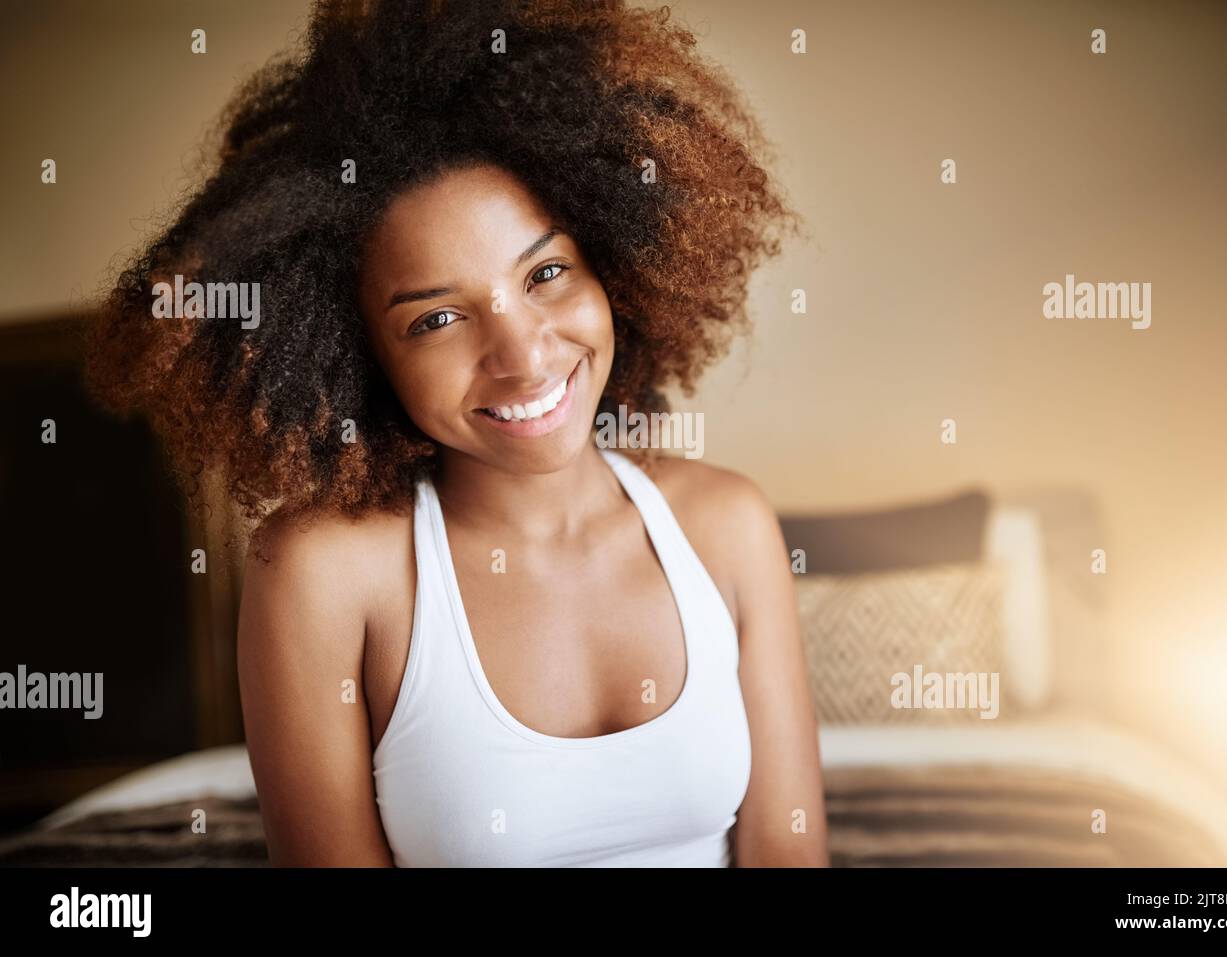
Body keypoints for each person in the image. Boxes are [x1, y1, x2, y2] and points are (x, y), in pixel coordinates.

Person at [87, 0, 827, 867]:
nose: (522, 355)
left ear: (613, 265)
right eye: (437, 319)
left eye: (546, 272)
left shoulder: (727, 524)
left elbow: (787, 849)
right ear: (355, 353)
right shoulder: (323, 571)